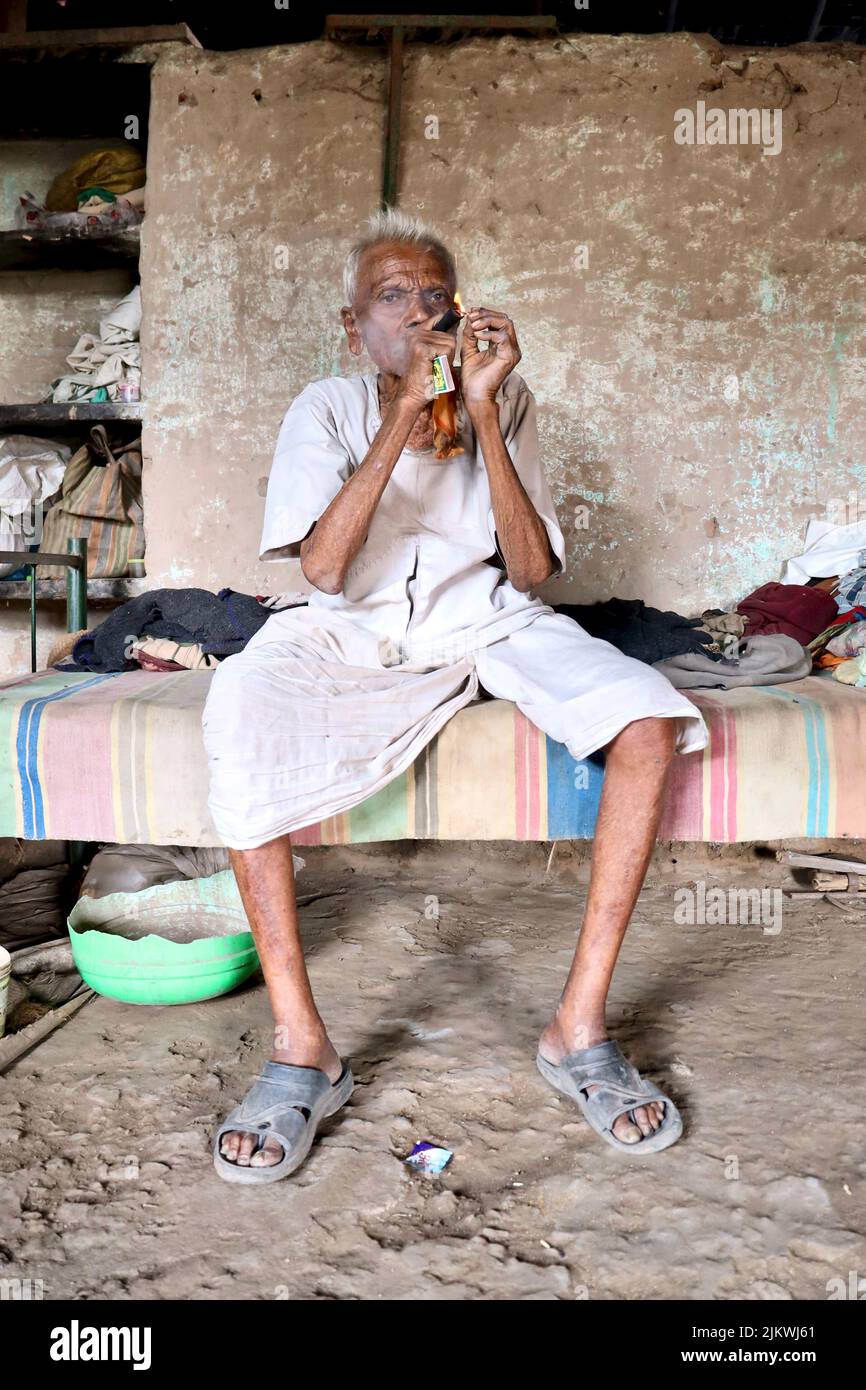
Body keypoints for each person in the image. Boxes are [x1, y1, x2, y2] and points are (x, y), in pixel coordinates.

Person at [202, 208, 708, 1183]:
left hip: (486, 622)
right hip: (348, 627)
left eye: (438, 296)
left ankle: (577, 1031)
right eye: (394, 297)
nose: (421, 314)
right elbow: (322, 569)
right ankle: (302, 1044)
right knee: (241, 709)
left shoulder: (503, 404)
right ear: (354, 328)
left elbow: (525, 575)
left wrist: (479, 409)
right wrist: (402, 415)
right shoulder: (329, 406)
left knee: (645, 717)